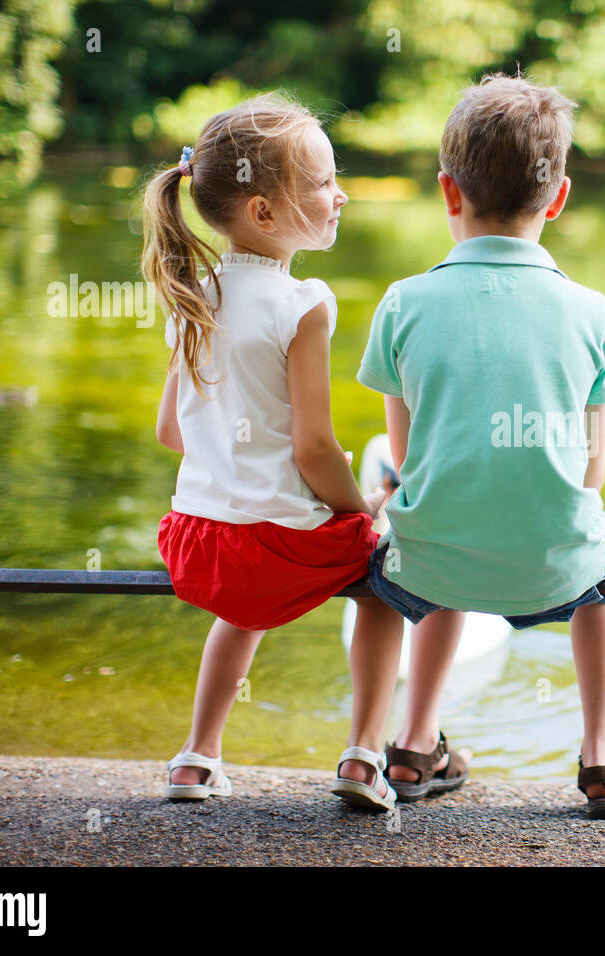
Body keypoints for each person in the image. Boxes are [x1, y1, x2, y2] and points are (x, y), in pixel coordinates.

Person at [344, 74, 605, 818]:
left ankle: (415, 747)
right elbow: (590, 469)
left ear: (448, 192)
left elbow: (412, 460)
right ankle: (604, 756)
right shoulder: (592, 311)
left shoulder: (403, 302)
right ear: (558, 198)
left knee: (440, 505)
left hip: (433, 564)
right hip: (558, 566)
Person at [143, 93, 404, 810]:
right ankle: (362, 755)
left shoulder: (192, 295)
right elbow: (317, 450)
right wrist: (365, 511)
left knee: (246, 595)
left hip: (196, 547)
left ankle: (196, 757)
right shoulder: (304, 303)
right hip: (271, 549)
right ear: (263, 212)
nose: (340, 193)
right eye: (323, 183)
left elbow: (173, 433)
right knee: (388, 578)